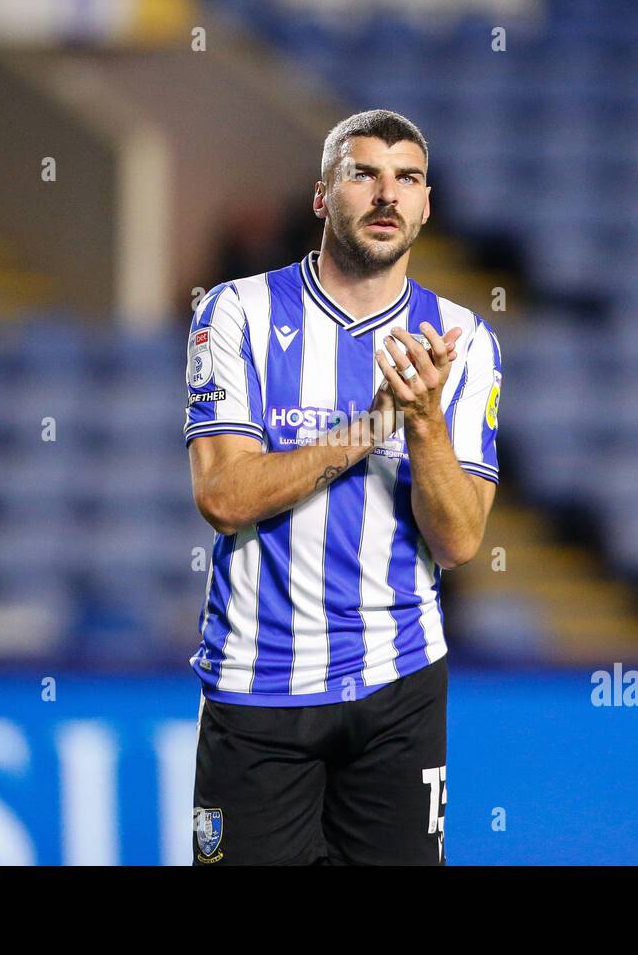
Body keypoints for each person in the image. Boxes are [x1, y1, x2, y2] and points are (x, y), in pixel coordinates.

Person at [184, 109, 502, 865]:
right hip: (259, 688)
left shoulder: (464, 340)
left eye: (408, 179)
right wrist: (369, 428)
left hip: (400, 687)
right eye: (364, 174)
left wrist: (422, 424)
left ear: (427, 204)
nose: (387, 194)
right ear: (323, 196)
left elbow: (458, 540)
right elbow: (224, 499)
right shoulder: (237, 311)